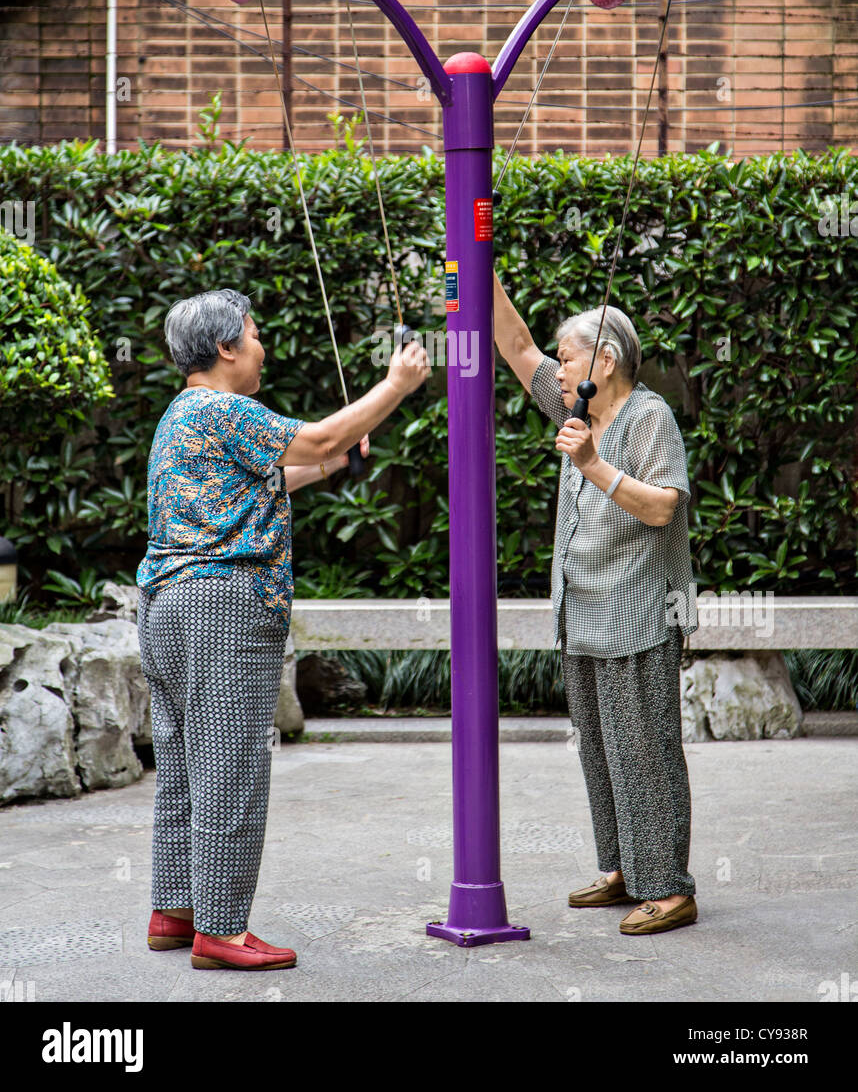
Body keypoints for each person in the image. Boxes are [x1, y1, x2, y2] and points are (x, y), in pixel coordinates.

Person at [136, 288, 430, 970]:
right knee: (232, 768)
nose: (263, 346)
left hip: (165, 607)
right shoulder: (227, 407)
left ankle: (175, 910)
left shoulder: (184, 414)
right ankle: (222, 932)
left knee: (183, 767)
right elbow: (319, 436)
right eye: (255, 333)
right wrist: (396, 383)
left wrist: (338, 459)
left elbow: (288, 470)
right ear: (226, 348)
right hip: (222, 606)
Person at [493, 270, 699, 936]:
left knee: (645, 751)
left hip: (638, 615)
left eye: (569, 355)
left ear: (604, 362)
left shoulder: (647, 416)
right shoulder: (576, 408)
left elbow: (663, 506)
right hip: (580, 612)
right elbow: (517, 346)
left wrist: (591, 465)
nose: (557, 367)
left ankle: (667, 887)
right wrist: (478, 258)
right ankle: (621, 869)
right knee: (599, 751)